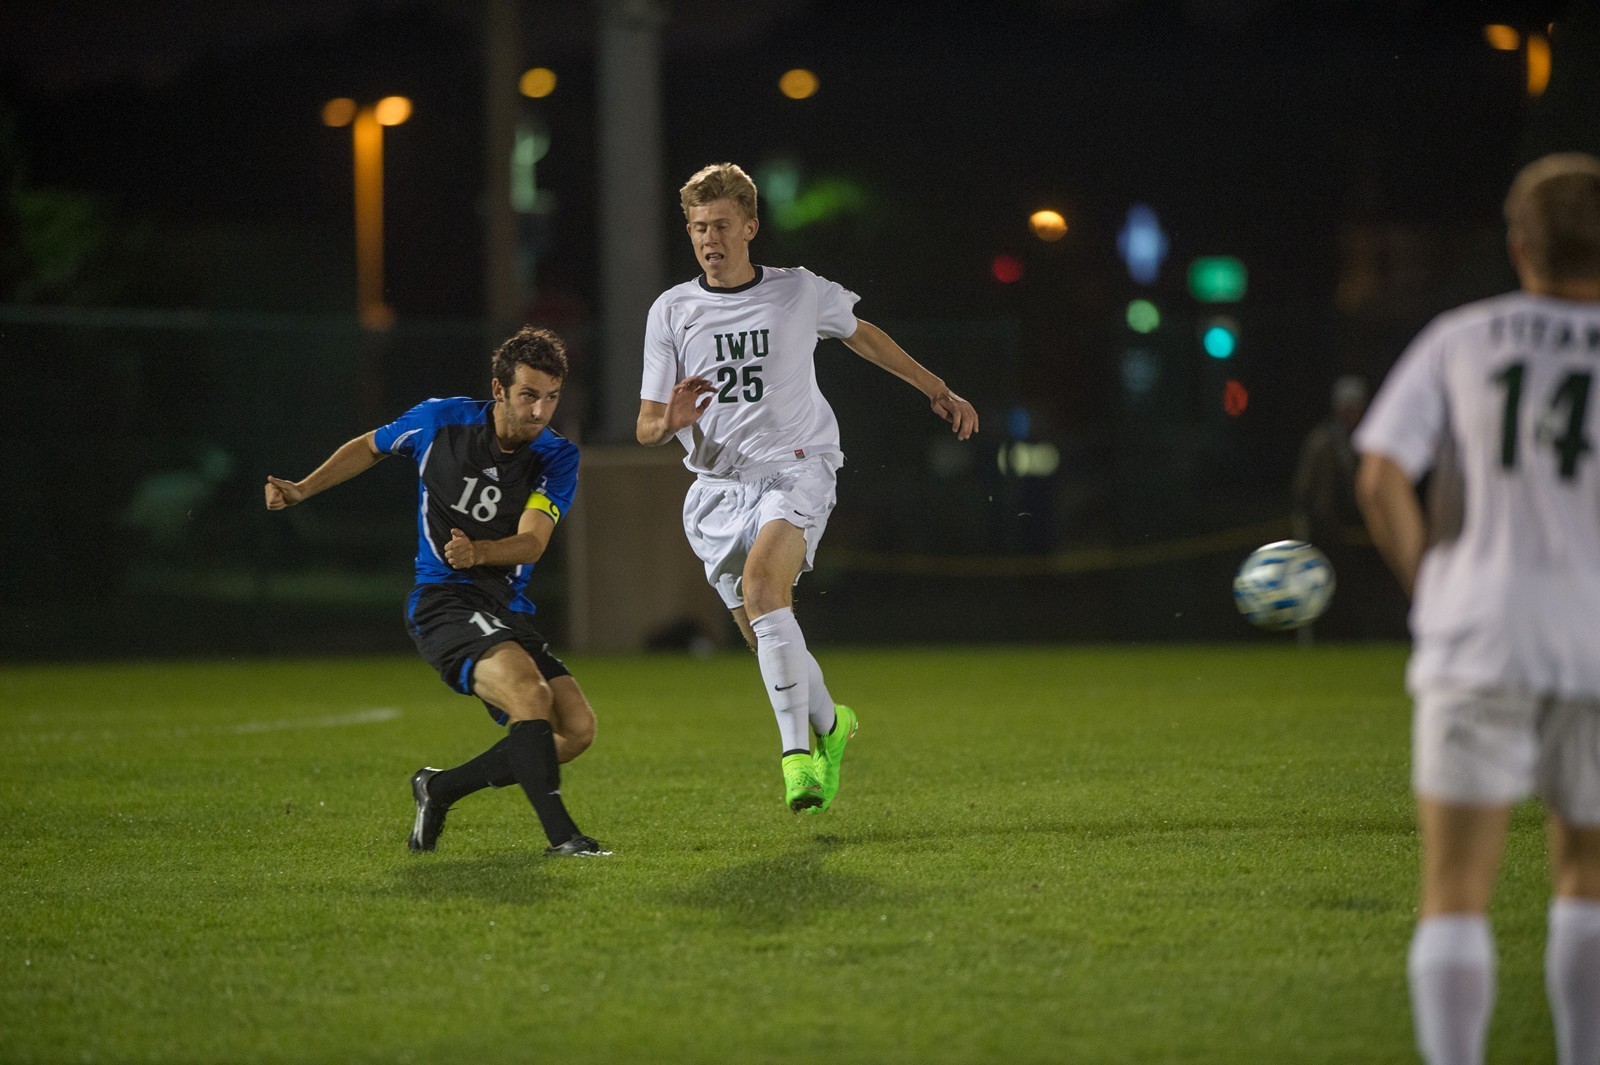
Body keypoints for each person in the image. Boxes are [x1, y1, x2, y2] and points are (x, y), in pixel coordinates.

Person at [1353, 152, 1600, 1065]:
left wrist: (1433, 591)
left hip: (1481, 632)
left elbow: (1379, 476)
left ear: (1519, 244)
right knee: (1585, 881)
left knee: (1455, 891)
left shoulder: (1466, 336)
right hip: (1595, 636)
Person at [636, 162, 980, 814]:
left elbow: (864, 336)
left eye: (722, 226)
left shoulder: (797, 290)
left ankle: (797, 758)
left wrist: (936, 387)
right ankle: (831, 723)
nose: (710, 238)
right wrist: (671, 420)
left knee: (765, 588)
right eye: (698, 227)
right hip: (714, 490)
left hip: (797, 466)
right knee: (767, 632)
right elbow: (647, 424)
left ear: (750, 227)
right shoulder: (672, 312)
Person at [264, 325, 609, 857]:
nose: (540, 412)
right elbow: (370, 446)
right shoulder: (439, 421)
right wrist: (304, 488)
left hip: (505, 608)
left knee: (577, 729)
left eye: (551, 397)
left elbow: (532, 542)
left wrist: (480, 553)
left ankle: (438, 788)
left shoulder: (556, 456)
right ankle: (563, 838)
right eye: (528, 396)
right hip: (444, 601)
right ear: (498, 391)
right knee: (530, 696)